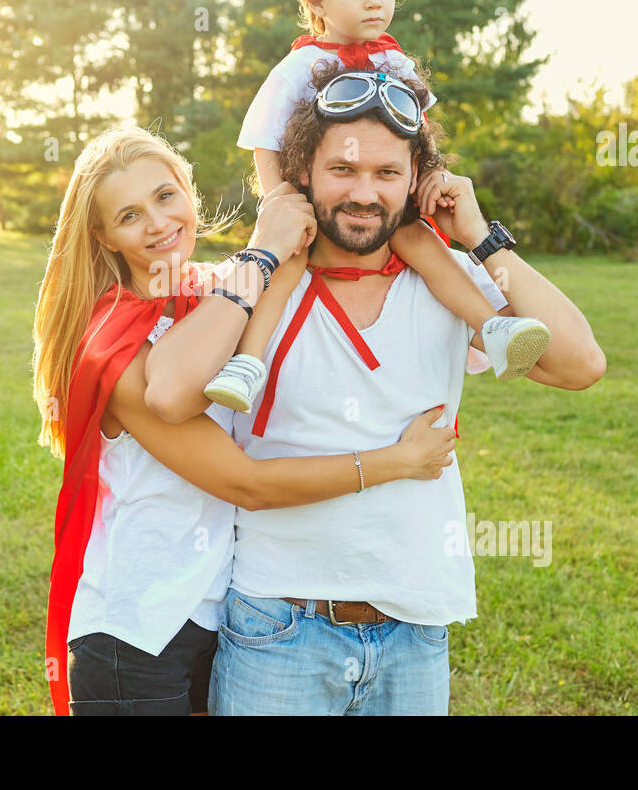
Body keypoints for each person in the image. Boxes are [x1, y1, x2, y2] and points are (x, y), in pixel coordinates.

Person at [153, 64, 607, 715]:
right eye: (344, 169)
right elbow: (170, 392)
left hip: (414, 627)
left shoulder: (445, 279)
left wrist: (480, 236)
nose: (364, 192)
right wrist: (263, 246)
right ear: (303, 170)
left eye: (387, 174)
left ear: (416, 181)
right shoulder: (253, 282)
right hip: (278, 627)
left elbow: (580, 364)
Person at [31, 125, 463, 716]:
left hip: (212, 613)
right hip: (136, 631)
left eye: (165, 196)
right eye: (129, 215)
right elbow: (245, 483)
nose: (158, 223)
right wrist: (399, 462)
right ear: (102, 234)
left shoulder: (214, 292)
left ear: (188, 190)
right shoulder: (112, 343)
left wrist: (404, 214)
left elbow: (313, 250)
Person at [204, 0, 551, 415]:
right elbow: (264, 141)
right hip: (317, 203)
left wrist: (432, 176)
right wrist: (279, 201)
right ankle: (248, 364)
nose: (374, 2)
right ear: (316, 0)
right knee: (288, 267)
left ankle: (492, 328)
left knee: (427, 249)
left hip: (384, 199)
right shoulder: (298, 68)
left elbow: (421, 132)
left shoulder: (394, 59)